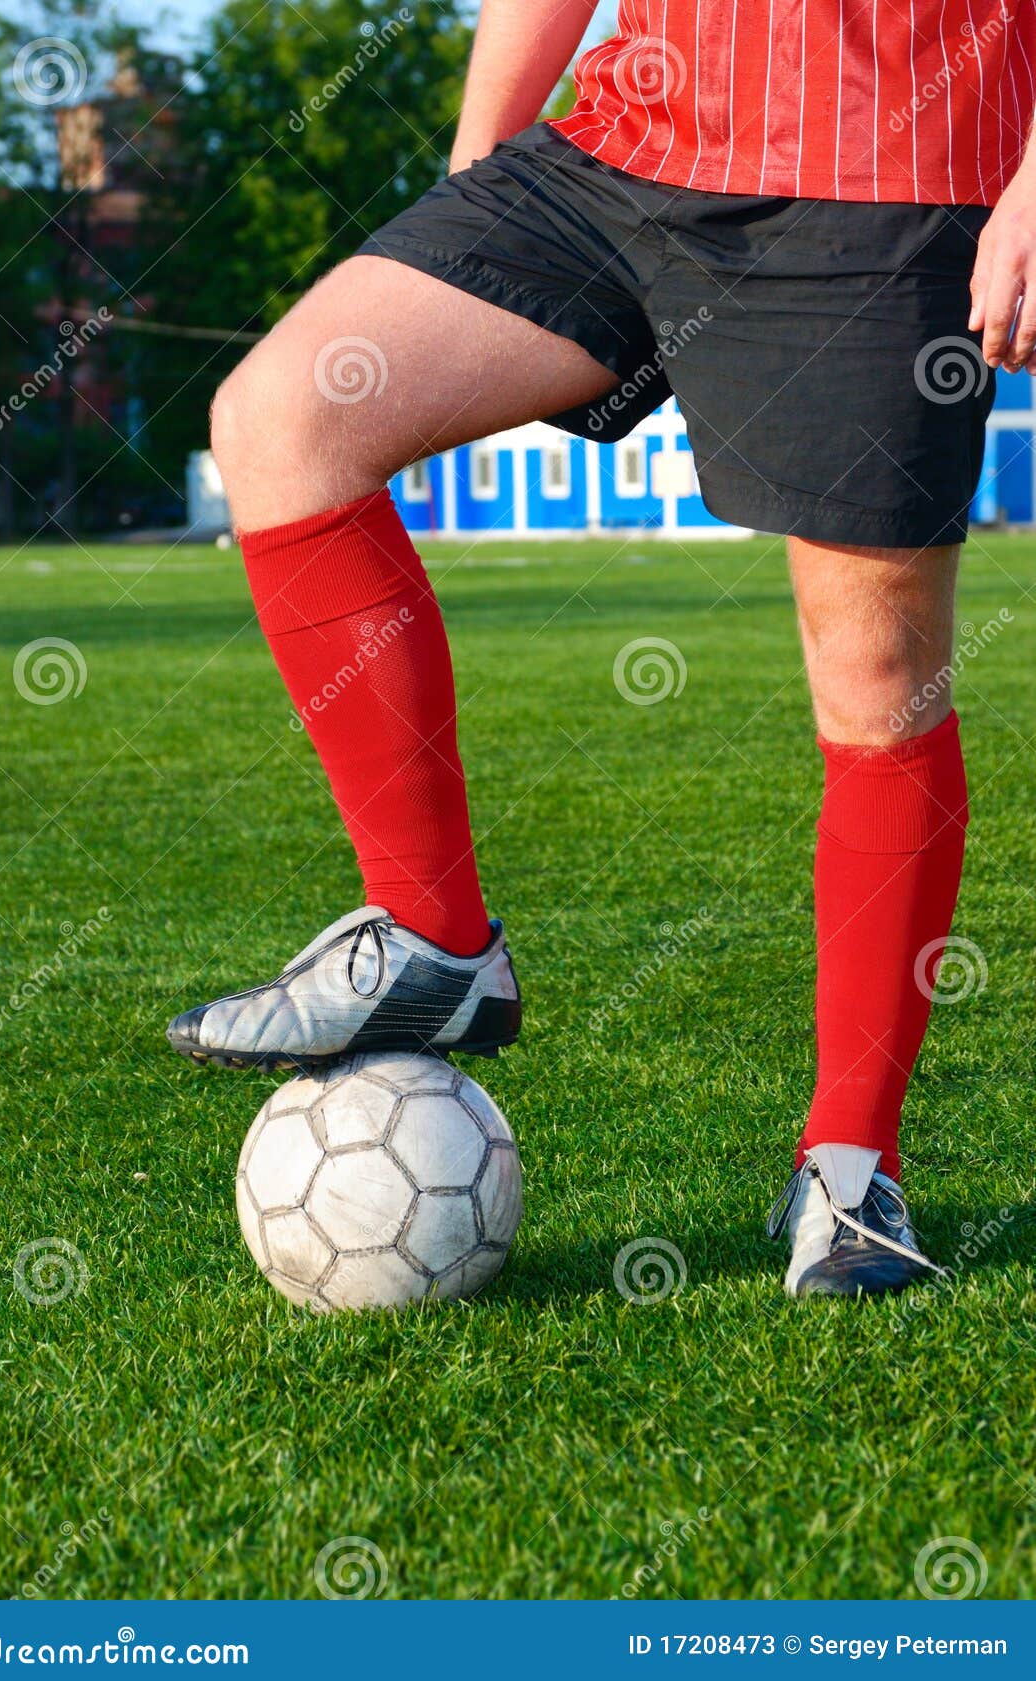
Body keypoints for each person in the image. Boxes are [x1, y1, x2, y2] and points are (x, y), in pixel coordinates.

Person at [167, 0, 1035, 1297]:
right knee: (284, 421)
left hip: (880, 169)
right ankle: (436, 939)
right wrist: (483, 169)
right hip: (624, 142)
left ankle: (851, 1171)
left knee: (877, 681)